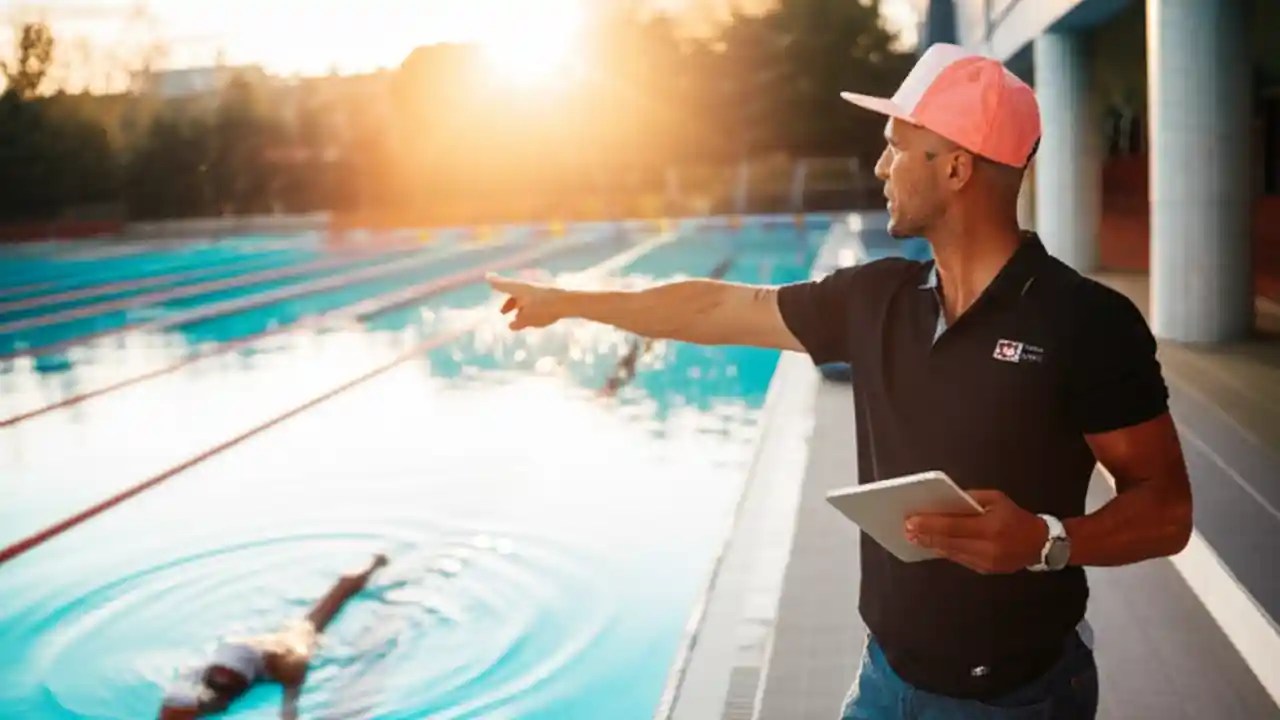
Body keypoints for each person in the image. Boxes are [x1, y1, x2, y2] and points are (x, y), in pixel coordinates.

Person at [487, 42, 1193, 719]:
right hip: (884, 681)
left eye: (895, 144)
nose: (882, 166)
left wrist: (1047, 542)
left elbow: (1166, 510)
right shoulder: (877, 298)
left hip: (1017, 699)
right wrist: (573, 300)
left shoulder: (1086, 322)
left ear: (955, 167)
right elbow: (718, 305)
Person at [158, 554, 388, 720]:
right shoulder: (197, 685)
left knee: (317, 620)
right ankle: (369, 568)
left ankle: (371, 568)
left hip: (276, 651)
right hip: (247, 655)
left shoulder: (290, 659)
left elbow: (290, 703)